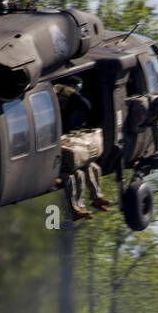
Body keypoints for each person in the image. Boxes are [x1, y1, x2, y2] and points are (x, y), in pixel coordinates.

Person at [55, 79, 111, 220]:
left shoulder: (65, 112)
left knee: (94, 168)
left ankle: (96, 197)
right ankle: (76, 209)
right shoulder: (56, 102)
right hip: (55, 161)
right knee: (75, 176)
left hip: (65, 151)